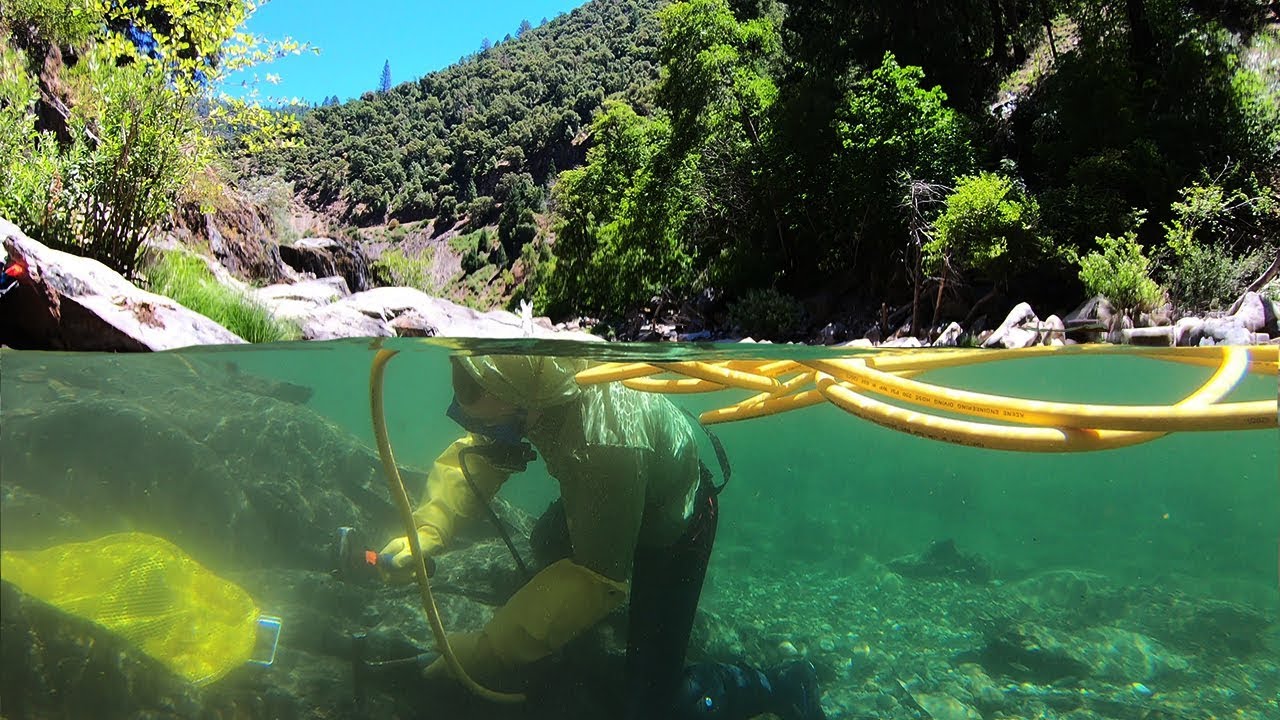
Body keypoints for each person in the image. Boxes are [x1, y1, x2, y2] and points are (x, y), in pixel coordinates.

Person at [379, 354, 826, 720]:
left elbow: (598, 578)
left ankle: (784, 684)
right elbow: (481, 454)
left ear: (528, 405)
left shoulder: (604, 443)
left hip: (673, 525)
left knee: (656, 707)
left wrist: (487, 652)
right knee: (545, 542)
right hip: (612, 489)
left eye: (498, 427)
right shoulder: (531, 376)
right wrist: (426, 531)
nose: (488, 436)